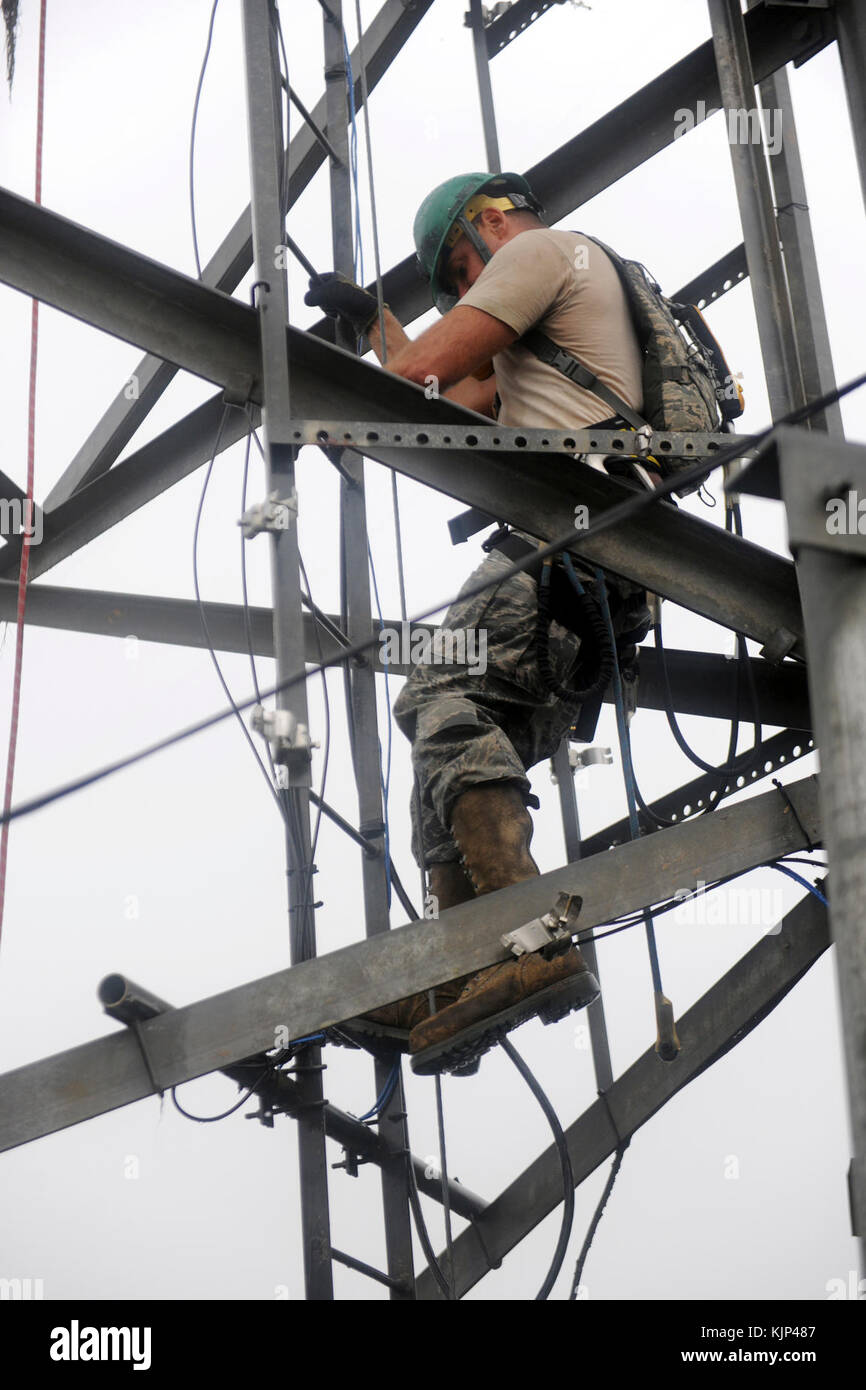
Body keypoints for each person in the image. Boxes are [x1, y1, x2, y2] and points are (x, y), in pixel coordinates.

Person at [306, 172, 650, 1075]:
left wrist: (365, 371)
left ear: (490, 221)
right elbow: (442, 403)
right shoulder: (557, 337)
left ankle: (529, 943)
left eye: (462, 273)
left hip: (566, 543)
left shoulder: (542, 251)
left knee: (441, 689)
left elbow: (417, 379)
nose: (466, 294)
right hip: (600, 575)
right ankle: (468, 973)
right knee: (454, 732)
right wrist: (378, 322)